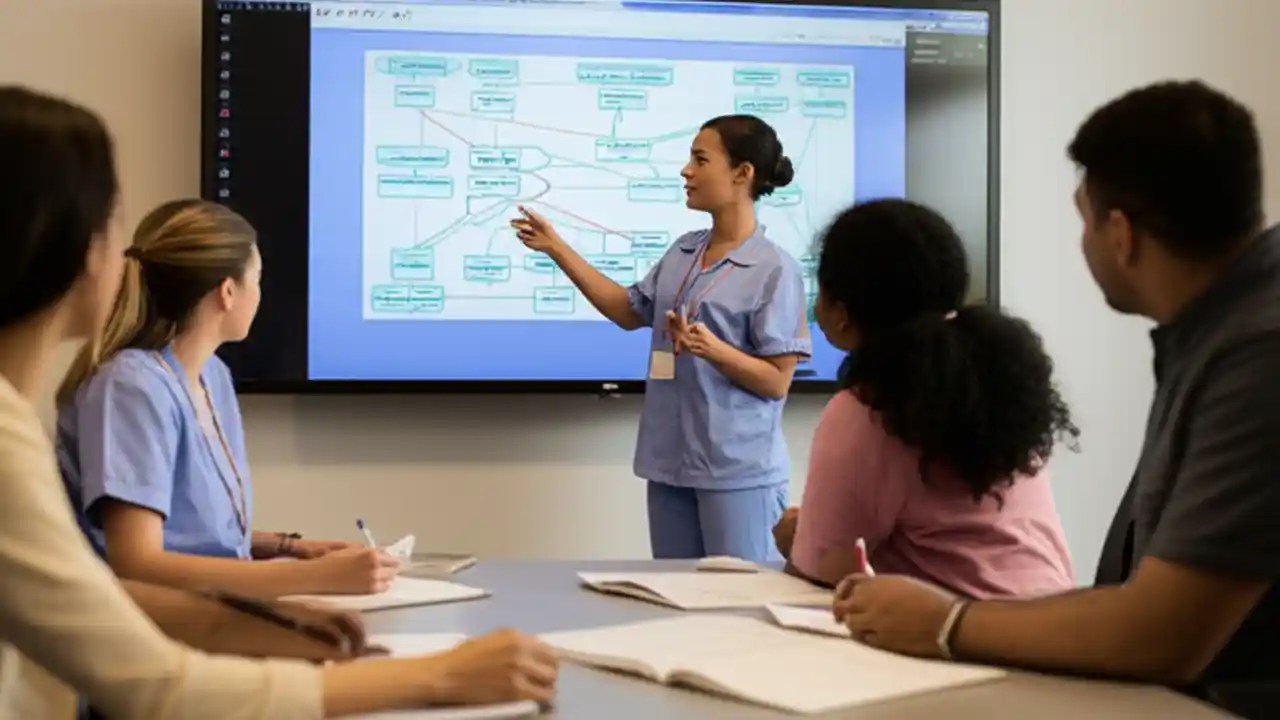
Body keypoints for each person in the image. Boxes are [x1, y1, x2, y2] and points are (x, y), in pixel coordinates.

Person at [0, 84, 557, 718]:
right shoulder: (105, 396)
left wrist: (268, 602)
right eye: (112, 220)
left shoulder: (202, 379)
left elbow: (92, 602)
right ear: (78, 247)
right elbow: (143, 650)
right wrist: (439, 675)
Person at [833, 80, 1280, 707]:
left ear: (1121, 234)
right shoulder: (1222, 330)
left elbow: (1164, 633)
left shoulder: (1259, 355)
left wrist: (946, 623)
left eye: (1084, 219)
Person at [56, 198, 400, 599]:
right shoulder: (130, 386)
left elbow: (186, 535)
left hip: (207, 610)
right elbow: (139, 562)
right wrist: (322, 578)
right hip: (154, 626)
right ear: (228, 292)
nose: (261, 293)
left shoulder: (213, 377)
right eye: (258, 278)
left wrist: (291, 549)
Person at [511, 114, 811, 562]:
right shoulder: (683, 252)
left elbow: (776, 381)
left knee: (740, 607)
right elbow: (625, 312)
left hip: (737, 473)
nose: (685, 171)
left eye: (700, 159)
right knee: (676, 601)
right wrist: (557, 248)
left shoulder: (775, 269)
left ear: (742, 173)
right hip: (669, 466)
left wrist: (713, 350)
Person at [773, 199, 1077, 598]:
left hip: (959, 642)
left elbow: (820, 573)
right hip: (1050, 625)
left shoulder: (868, 410)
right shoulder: (999, 382)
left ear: (841, 311)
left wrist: (796, 539)